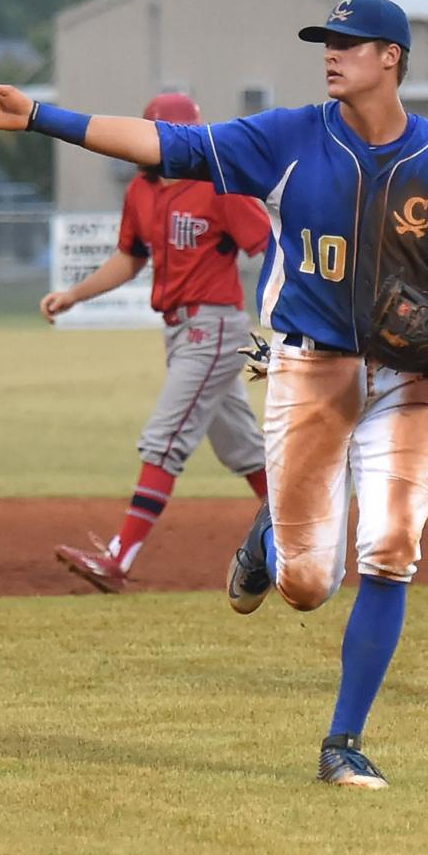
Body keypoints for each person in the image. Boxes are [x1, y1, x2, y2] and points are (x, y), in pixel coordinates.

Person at [0, 0, 428, 788]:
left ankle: (342, 743)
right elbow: (167, 142)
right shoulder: (288, 137)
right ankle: (268, 539)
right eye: (327, 42)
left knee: (392, 552)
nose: (331, 54)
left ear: (391, 57)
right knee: (308, 586)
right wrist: (42, 116)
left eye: (349, 43)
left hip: (408, 379)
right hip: (311, 368)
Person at [41, 93, 271, 593]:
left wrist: (286, 318)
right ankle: (307, 536)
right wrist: (74, 295)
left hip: (214, 327)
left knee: (164, 439)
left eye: (161, 134)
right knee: (243, 449)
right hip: (178, 330)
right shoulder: (142, 190)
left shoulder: (220, 185)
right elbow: (130, 258)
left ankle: (118, 557)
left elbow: (268, 247)